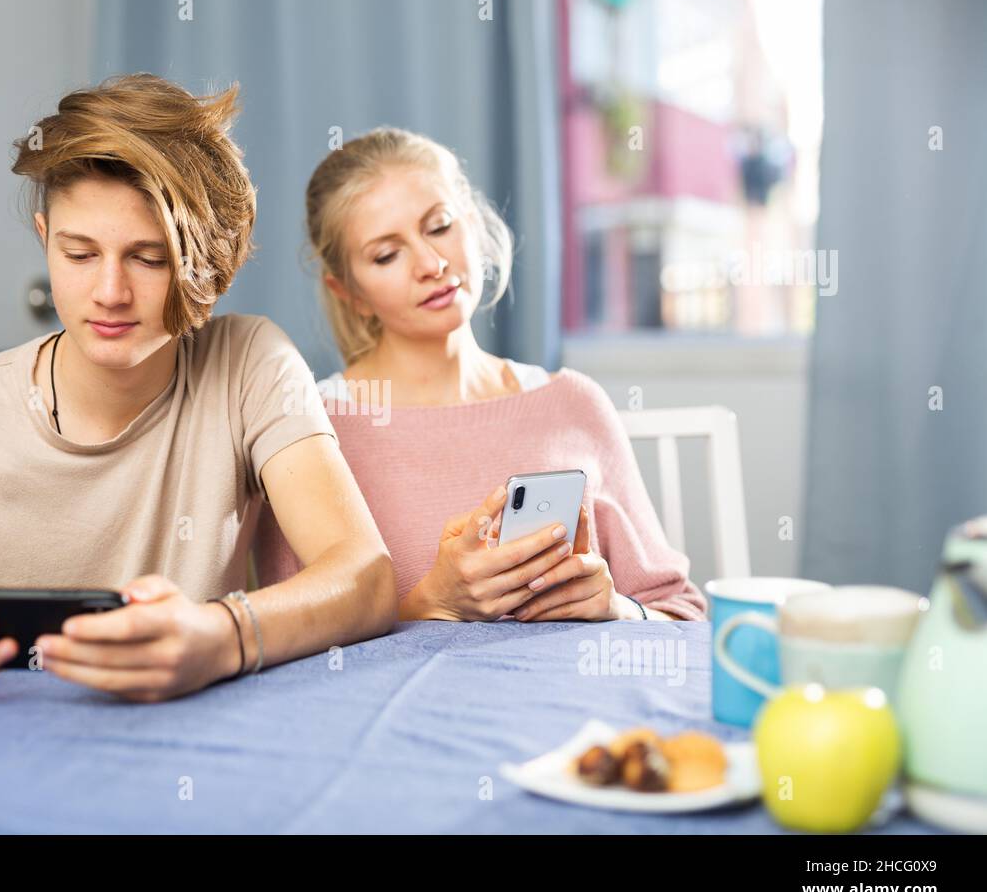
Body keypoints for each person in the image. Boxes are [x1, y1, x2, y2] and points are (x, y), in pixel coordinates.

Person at [0, 74, 396, 721]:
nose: (109, 292)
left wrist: (219, 637)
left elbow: (365, 575)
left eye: (149, 258)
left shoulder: (248, 361)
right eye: (79, 253)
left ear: (208, 265)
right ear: (45, 238)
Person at [255, 127, 706, 623]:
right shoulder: (306, 433)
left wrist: (617, 609)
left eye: (440, 225)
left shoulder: (573, 402)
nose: (431, 263)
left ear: (471, 222)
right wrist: (431, 607)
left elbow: (682, 614)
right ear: (348, 291)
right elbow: (297, 648)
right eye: (387, 254)